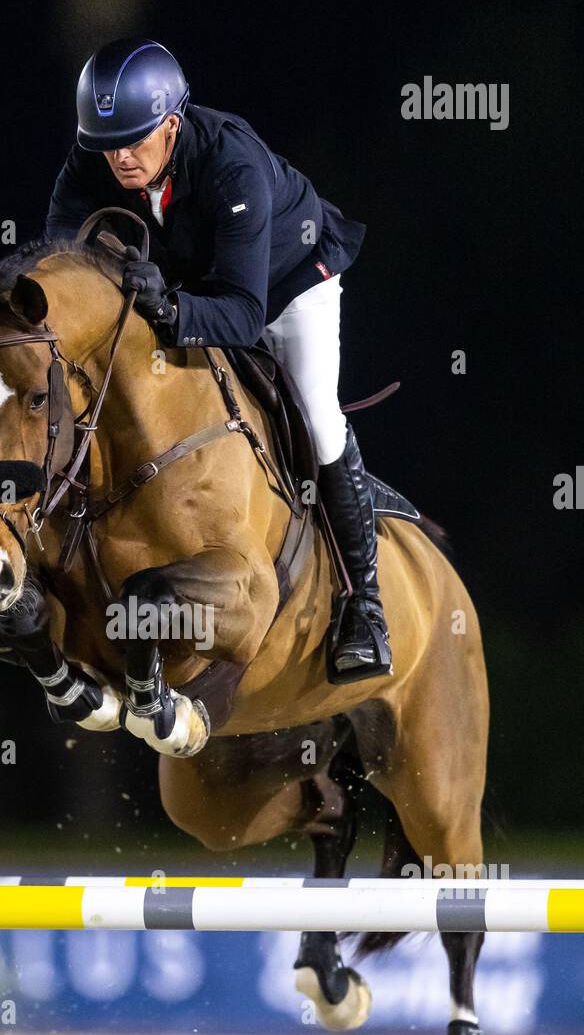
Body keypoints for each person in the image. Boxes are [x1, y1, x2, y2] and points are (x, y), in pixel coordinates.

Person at [45, 37, 390, 682]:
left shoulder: (231, 165)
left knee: (315, 412)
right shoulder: (98, 155)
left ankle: (363, 606)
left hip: (284, 282)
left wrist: (170, 311)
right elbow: (62, 259)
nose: (119, 156)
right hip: (188, 280)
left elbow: (240, 314)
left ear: (172, 124)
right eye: (107, 143)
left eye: (136, 140)